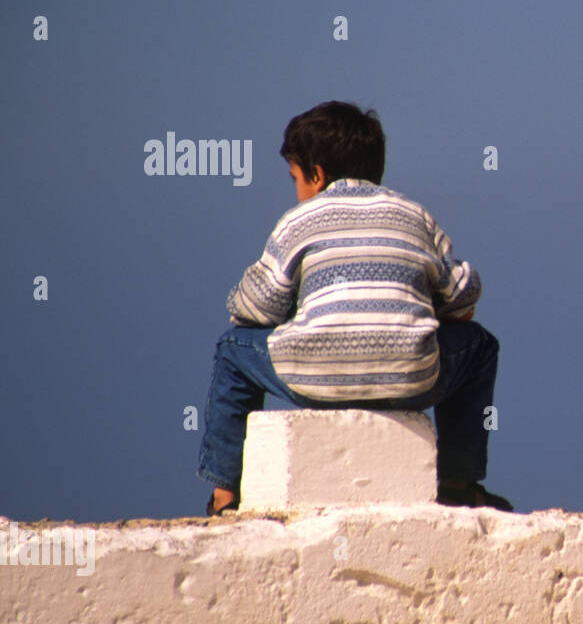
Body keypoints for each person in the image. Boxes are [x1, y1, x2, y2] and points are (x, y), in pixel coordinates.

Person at [195, 101, 510, 514]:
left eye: (295, 178)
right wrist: (442, 310)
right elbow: (463, 289)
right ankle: (458, 483)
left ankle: (225, 493)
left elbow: (255, 305)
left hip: (314, 379)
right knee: (479, 345)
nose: (296, 189)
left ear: (317, 174)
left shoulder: (299, 220)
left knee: (233, 347)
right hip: (409, 378)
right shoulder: (413, 215)